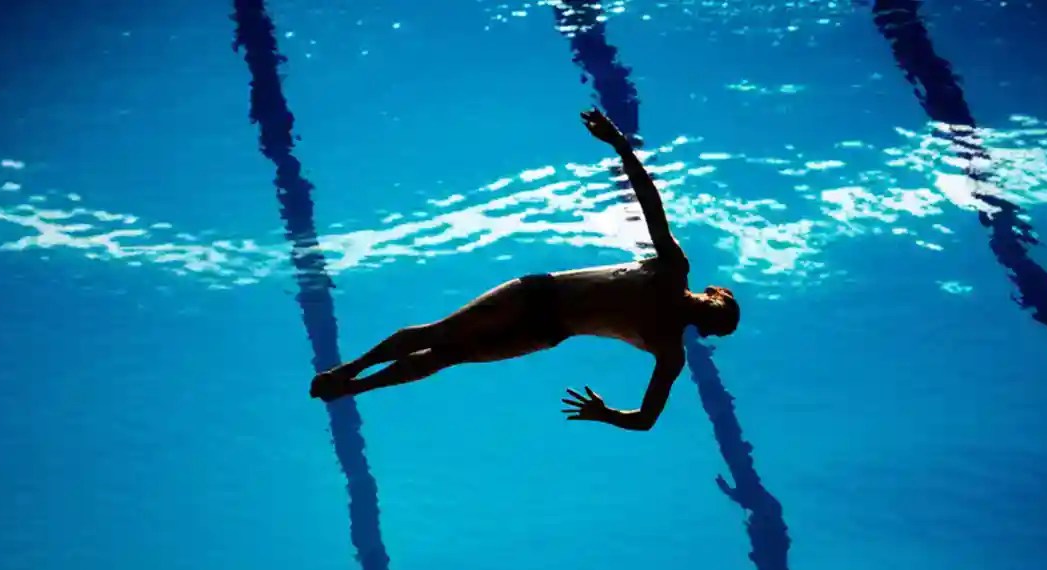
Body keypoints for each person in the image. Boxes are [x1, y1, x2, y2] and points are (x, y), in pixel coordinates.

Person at [309, 108, 740, 431]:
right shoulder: (671, 270)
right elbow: (650, 204)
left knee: (449, 355)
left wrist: (604, 413)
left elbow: (646, 419)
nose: (715, 315)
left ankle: (355, 388)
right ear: (712, 293)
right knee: (442, 333)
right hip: (538, 294)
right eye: (721, 307)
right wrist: (620, 146)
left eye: (720, 322)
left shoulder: (669, 349)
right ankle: (350, 369)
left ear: (708, 330)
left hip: (549, 330)